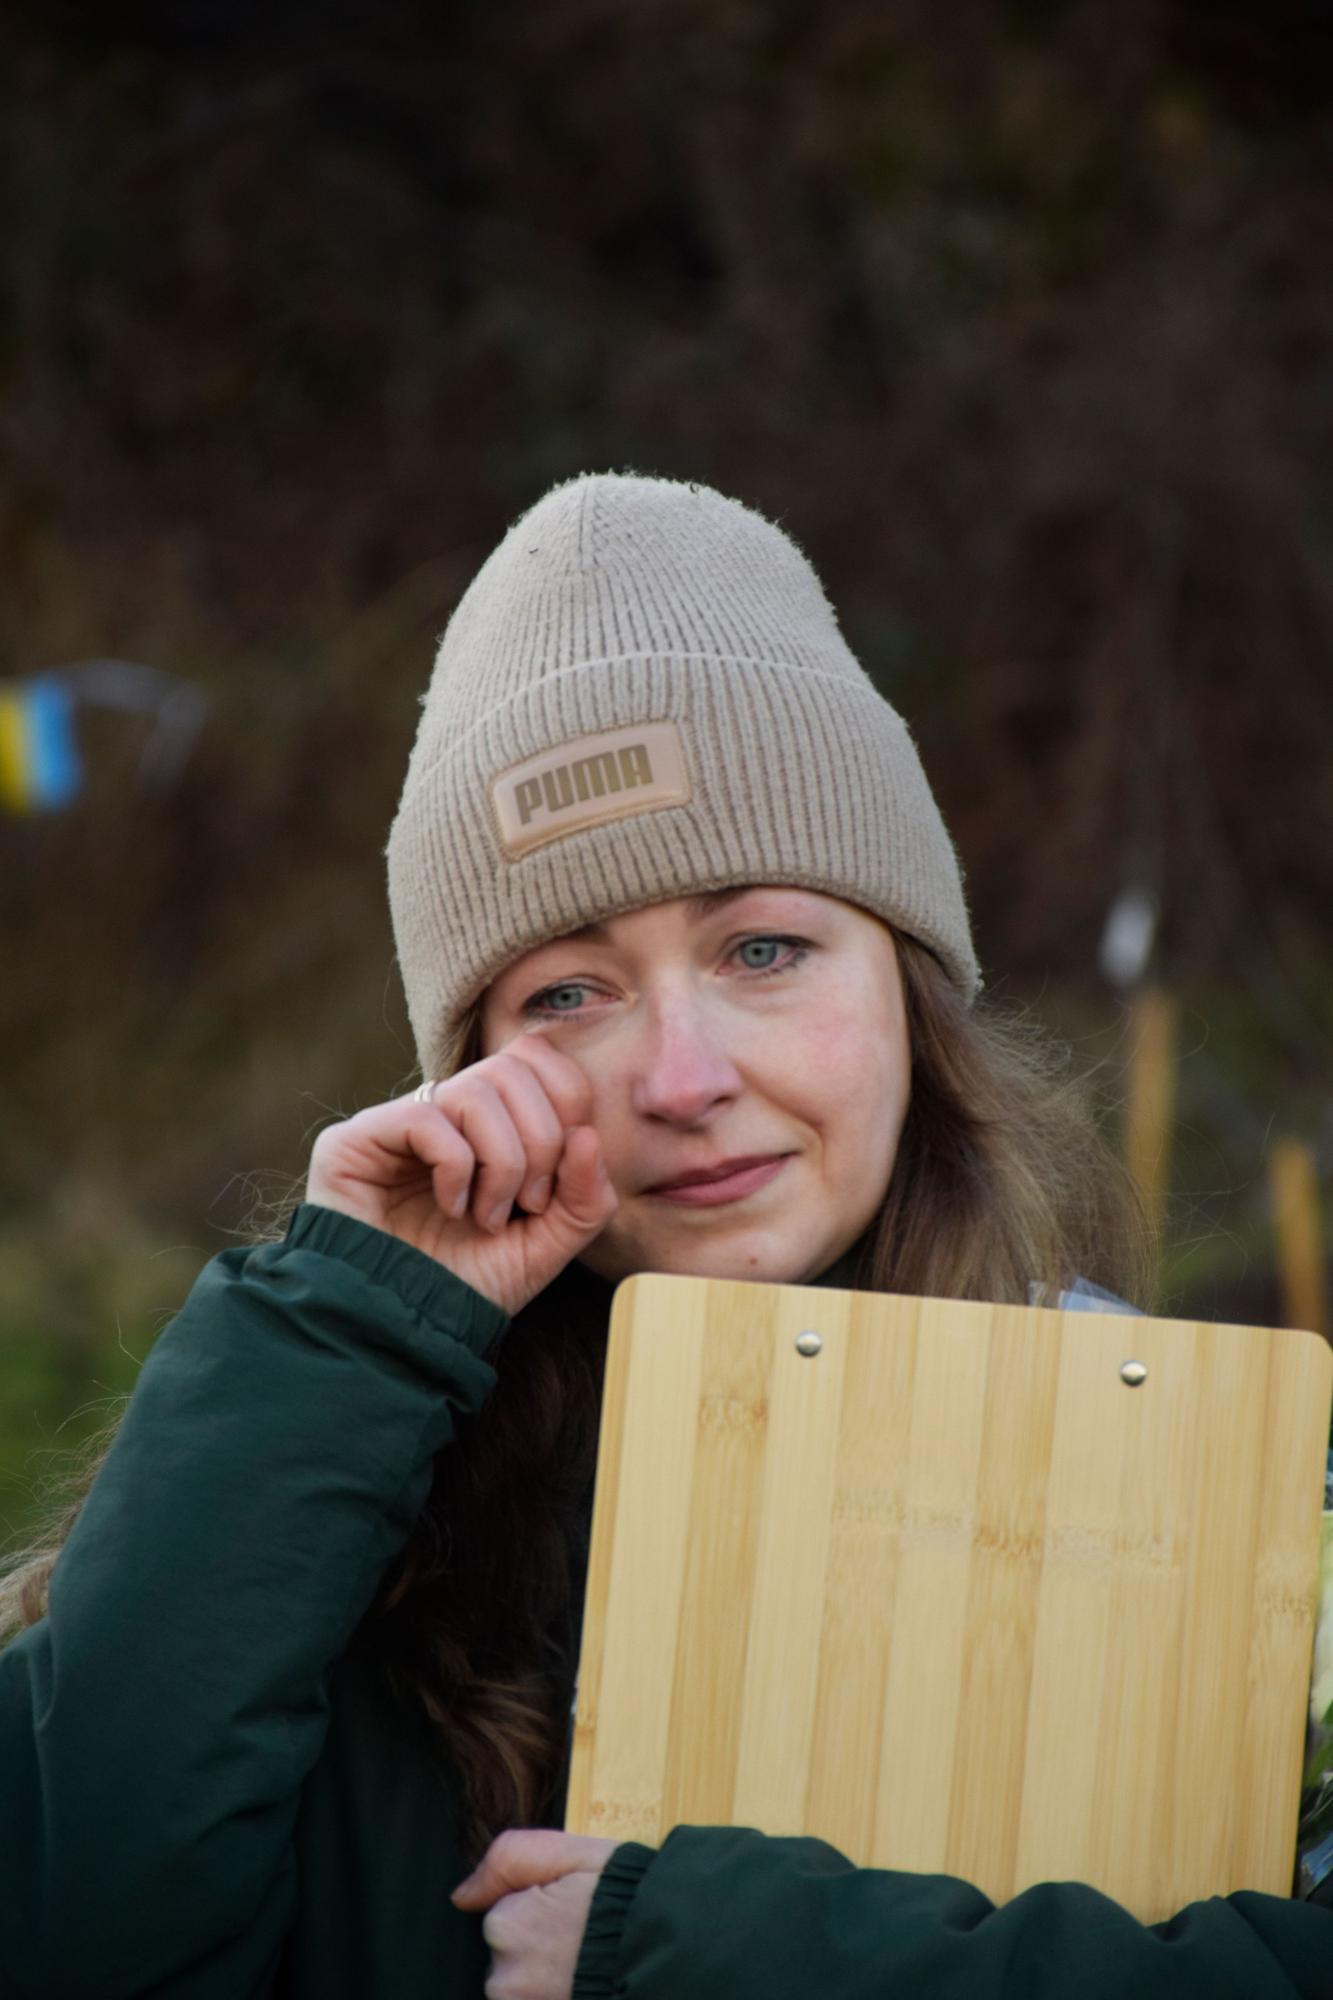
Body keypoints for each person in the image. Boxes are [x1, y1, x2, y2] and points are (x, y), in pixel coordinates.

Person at [1, 473, 1328, 2000]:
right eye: (567, 993)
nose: (682, 1081)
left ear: (906, 990)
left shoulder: (1244, 1512)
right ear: (472, 1070)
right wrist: (341, 1329)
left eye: (761, 949)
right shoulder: (339, 1551)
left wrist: (728, 1953)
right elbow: (77, 1922)